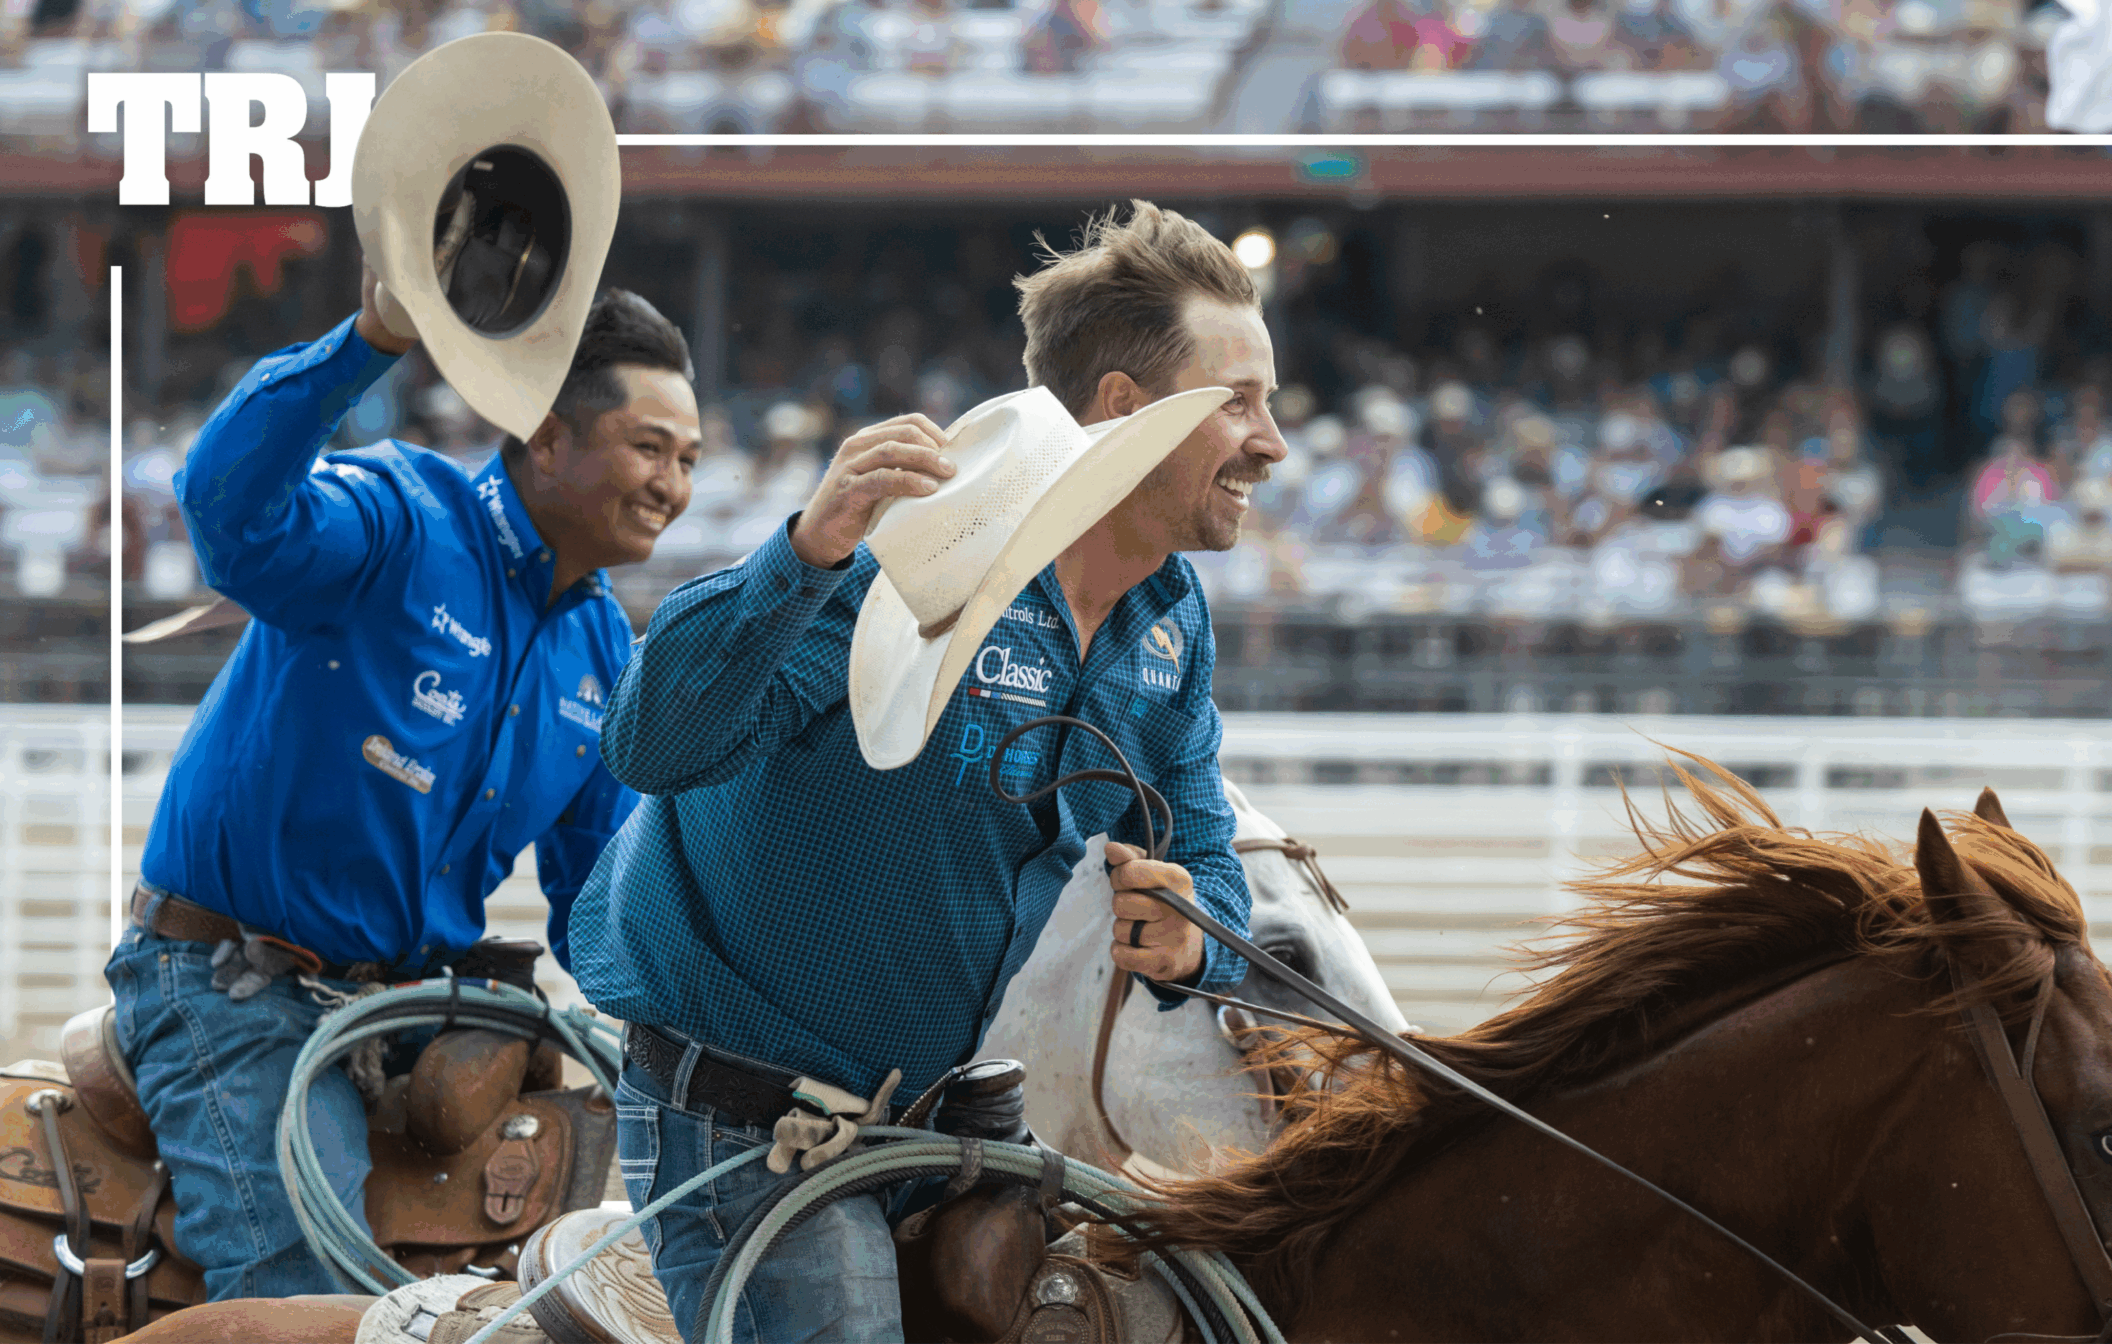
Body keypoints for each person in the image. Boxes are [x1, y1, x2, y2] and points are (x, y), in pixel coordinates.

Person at [571, 201, 1275, 1344]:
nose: (1272, 442)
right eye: (1238, 402)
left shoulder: (1169, 613)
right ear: (1123, 410)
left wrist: (1198, 940)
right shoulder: (914, 545)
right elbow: (652, 748)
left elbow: (1200, 848)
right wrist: (806, 552)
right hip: (749, 1124)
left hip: (937, 1129)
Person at [109, 277, 702, 1300]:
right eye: (650, 448)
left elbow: (604, 913)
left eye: (688, 459)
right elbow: (231, 515)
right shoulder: (396, 517)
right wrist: (370, 339)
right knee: (308, 1288)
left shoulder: (604, 646)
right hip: (229, 984)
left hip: (408, 1004)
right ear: (548, 438)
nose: (673, 486)